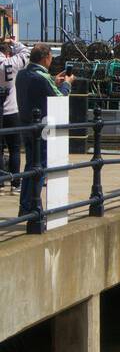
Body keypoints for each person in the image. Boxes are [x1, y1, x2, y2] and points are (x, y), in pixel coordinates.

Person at [15, 44, 73, 222]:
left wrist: (52, 81)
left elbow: (39, 91)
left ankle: (25, 206)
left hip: (25, 125)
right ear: (45, 57)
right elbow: (60, 98)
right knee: (40, 167)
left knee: (29, 167)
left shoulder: (21, 74)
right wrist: (67, 85)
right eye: (51, 58)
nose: (51, 61)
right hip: (43, 128)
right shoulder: (42, 78)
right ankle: (34, 206)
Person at [1, 35, 31, 194]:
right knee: (14, 149)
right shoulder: (11, 63)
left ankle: (0, 183)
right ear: (7, 53)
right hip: (12, 111)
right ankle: (15, 184)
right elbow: (27, 53)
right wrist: (15, 43)